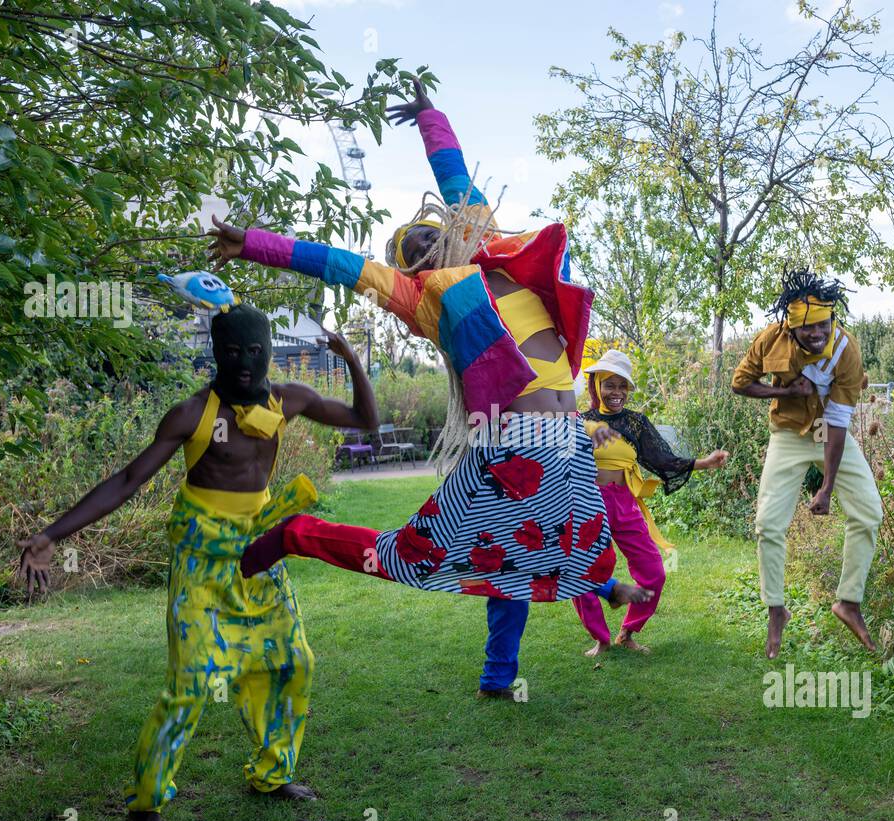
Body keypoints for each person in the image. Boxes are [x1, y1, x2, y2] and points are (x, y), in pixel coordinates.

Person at [215, 83, 652, 701]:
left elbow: (455, 177)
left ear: (444, 230)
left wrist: (428, 116)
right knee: (414, 556)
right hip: (508, 443)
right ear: (410, 270)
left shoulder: (494, 253)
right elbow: (338, 263)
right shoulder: (424, 299)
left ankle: (527, 654)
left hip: (565, 439)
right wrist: (255, 245)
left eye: (423, 236)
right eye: (406, 251)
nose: (418, 246)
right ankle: (296, 535)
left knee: (552, 545)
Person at [18, 301, 378, 821]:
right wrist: (51, 535)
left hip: (257, 552)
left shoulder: (289, 400)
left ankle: (273, 774)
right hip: (199, 558)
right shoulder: (192, 414)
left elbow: (365, 421)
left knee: (291, 662)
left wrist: (350, 357)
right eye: (231, 352)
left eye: (254, 351)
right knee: (190, 683)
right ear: (216, 353)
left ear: (268, 352)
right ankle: (145, 805)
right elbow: (127, 479)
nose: (242, 363)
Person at [730, 268, 882, 659]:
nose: (817, 333)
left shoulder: (847, 350)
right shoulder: (771, 340)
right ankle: (776, 607)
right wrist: (782, 390)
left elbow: (839, 421)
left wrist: (827, 487)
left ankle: (848, 601)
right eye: (808, 328)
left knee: (868, 512)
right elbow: (740, 382)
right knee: (768, 524)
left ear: (832, 320)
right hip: (788, 434)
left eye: (824, 324)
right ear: (792, 328)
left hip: (832, 435)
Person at [573, 349, 729, 656]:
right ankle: (600, 638)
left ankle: (627, 632)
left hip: (625, 502)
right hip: (589, 501)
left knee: (653, 570)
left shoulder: (636, 423)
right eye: (610, 384)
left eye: (622, 386)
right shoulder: (580, 422)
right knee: (584, 568)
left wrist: (703, 463)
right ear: (597, 386)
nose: (616, 392)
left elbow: (662, 459)